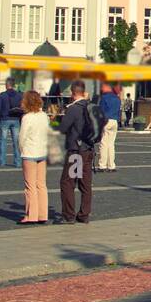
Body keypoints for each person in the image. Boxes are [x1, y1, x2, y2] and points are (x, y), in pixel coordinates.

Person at [57, 80, 94, 224]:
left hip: (76, 151)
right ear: (83, 92)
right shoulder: (91, 107)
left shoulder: (73, 109)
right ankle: (84, 214)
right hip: (89, 150)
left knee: (68, 182)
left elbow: (63, 128)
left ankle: (69, 214)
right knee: (85, 184)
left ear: (73, 93)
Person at [18, 91, 50, 224]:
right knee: (41, 185)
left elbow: (22, 137)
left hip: (30, 152)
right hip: (42, 152)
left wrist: (21, 150)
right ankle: (43, 214)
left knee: (30, 185)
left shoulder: (27, 117)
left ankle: (31, 215)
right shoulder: (44, 116)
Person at [0, 77, 24, 168]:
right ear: (14, 85)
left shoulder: (2, 95)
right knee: (16, 142)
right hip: (15, 120)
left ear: (6, 85)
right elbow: (22, 108)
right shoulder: (19, 95)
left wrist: (0, 118)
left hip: (5, 119)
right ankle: (17, 162)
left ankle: (2, 161)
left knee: (3, 141)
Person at [96, 83, 121, 172]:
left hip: (106, 120)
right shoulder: (117, 98)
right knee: (111, 144)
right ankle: (111, 165)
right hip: (114, 121)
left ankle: (102, 165)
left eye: (103, 87)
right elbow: (119, 111)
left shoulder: (104, 98)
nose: (102, 88)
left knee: (103, 143)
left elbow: (101, 111)